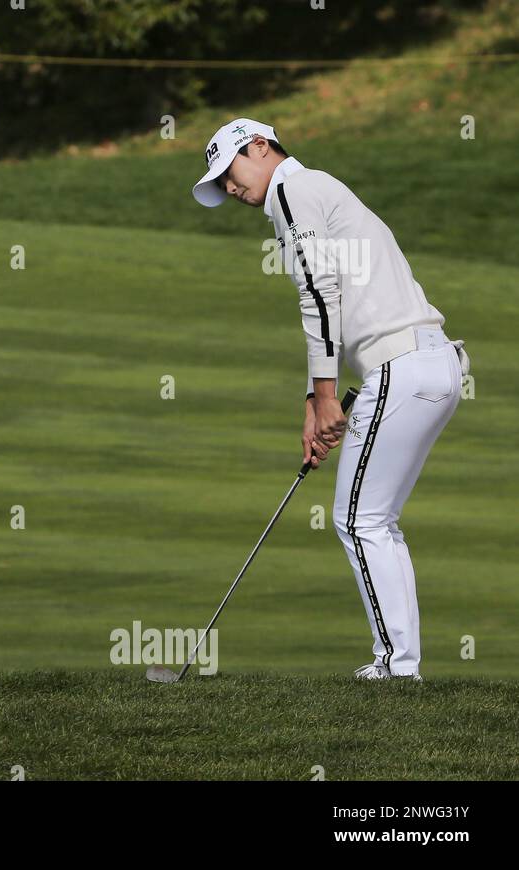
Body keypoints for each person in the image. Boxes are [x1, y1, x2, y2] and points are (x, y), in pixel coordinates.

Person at [192, 118, 466, 681]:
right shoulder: (319, 188)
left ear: (261, 147)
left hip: (400, 365)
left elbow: (321, 293)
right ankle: (400, 665)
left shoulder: (291, 192)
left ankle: (395, 668)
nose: (230, 189)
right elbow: (335, 298)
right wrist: (311, 403)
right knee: (375, 518)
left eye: (230, 172)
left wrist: (325, 397)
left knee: (359, 517)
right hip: (431, 362)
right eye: (219, 184)